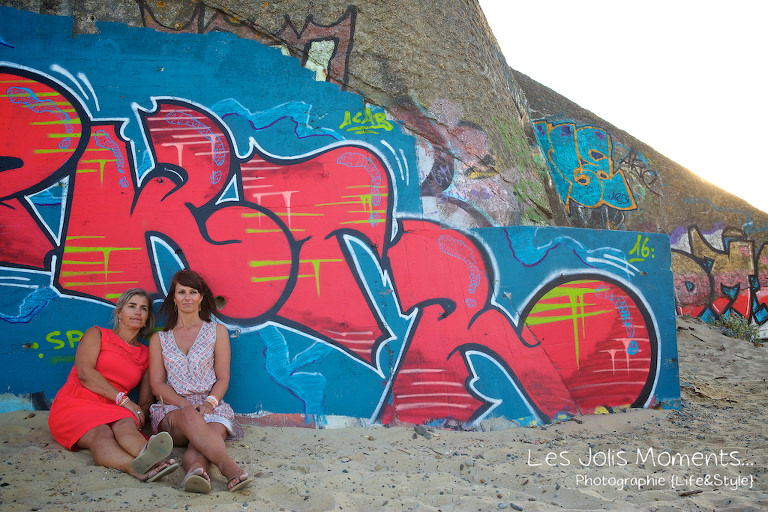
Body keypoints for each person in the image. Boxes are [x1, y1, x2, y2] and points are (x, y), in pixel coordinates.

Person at [48, 288, 178, 481]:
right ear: (119, 313)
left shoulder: (146, 354)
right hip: (78, 401)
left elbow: (144, 401)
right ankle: (133, 468)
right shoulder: (97, 334)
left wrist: (139, 415)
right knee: (101, 434)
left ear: (146, 318)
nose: (137, 312)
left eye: (143, 309)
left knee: (127, 425)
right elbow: (85, 374)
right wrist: (123, 401)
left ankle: (150, 457)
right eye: (131, 306)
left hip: (115, 407)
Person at [148, 269, 250, 493]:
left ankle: (196, 472)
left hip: (210, 405)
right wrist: (187, 406)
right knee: (189, 417)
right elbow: (157, 384)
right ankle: (230, 469)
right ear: (173, 298)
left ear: (201, 297)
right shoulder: (160, 338)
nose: (187, 297)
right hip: (173, 409)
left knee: (207, 435)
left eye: (193, 292)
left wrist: (207, 405)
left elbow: (223, 377)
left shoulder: (217, 332)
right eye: (181, 292)